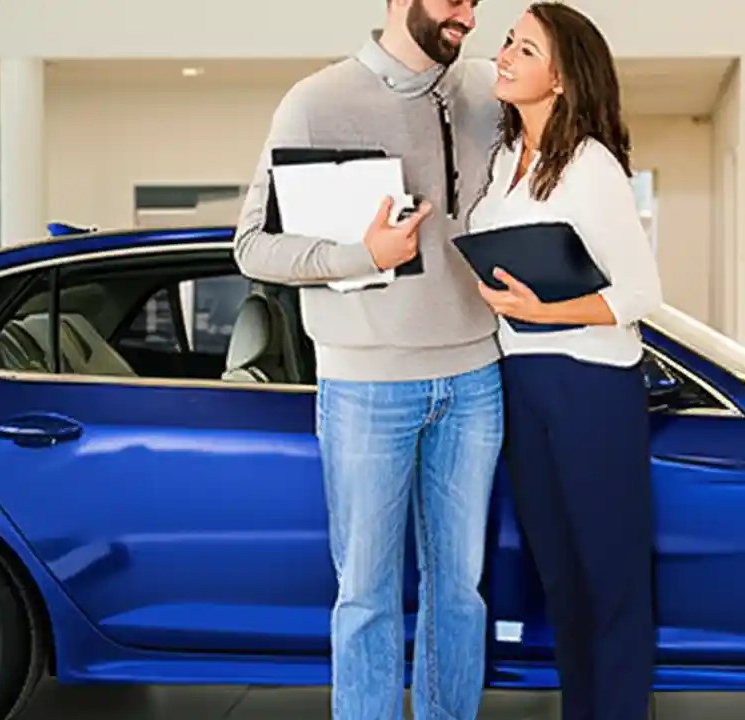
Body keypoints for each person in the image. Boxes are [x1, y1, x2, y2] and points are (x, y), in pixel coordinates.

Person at [231, 1, 504, 718]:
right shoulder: (316, 103)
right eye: (453, 1)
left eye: (475, 3)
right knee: (366, 593)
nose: (468, 17)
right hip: (365, 383)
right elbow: (252, 246)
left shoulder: (483, 89)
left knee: (460, 591)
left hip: (477, 375)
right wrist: (363, 256)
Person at [466, 4, 664, 719]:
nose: (506, 56)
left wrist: (545, 310)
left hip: (590, 385)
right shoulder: (499, 164)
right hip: (520, 382)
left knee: (610, 582)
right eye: (507, 43)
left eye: (526, 48)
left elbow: (641, 293)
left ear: (561, 78)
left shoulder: (590, 165)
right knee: (563, 580)